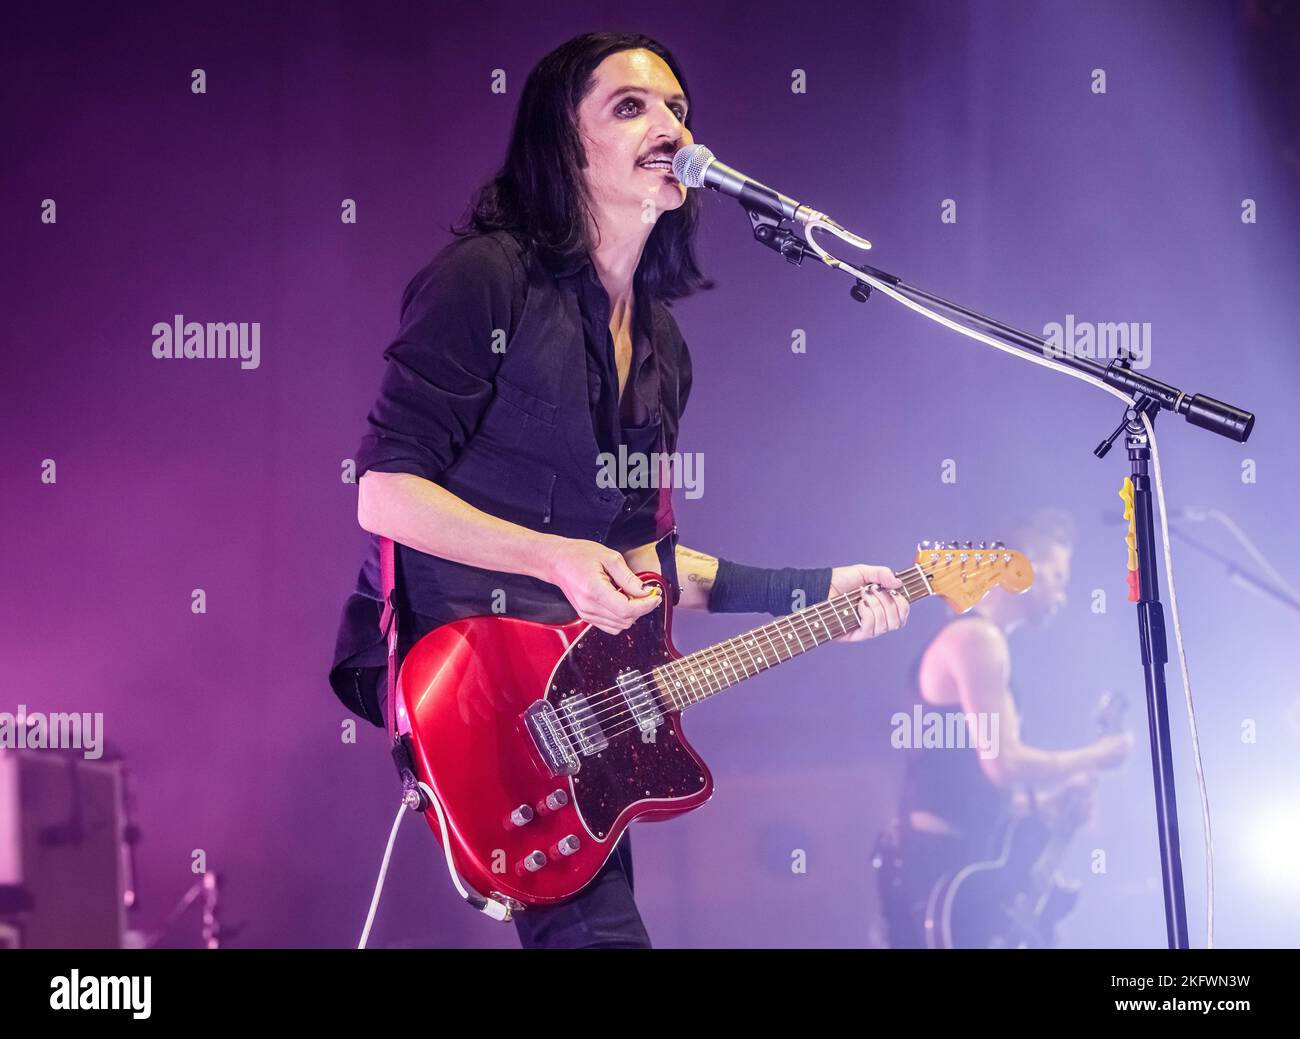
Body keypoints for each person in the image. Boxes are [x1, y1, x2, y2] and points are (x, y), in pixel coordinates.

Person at [329, 31, 909, 949]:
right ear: (565, 147)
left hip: (578, 707)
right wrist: (554, 557)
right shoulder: (486, 277)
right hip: (471, 678)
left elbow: (645, 564)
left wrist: (819, 588)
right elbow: (386, 494)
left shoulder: (665, 348)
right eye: (630, 106)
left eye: (677, 107)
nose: (669, 124)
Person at [873, 509, 1132, 948]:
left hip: (957, 864)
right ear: (1023, 565)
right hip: (941, 874)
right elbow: (1004, 764)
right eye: (1056, 576)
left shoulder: (987, 643)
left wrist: (1045, 804)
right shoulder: (978, 641)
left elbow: (972, 779)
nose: (1062, 594)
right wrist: (1098, 756)